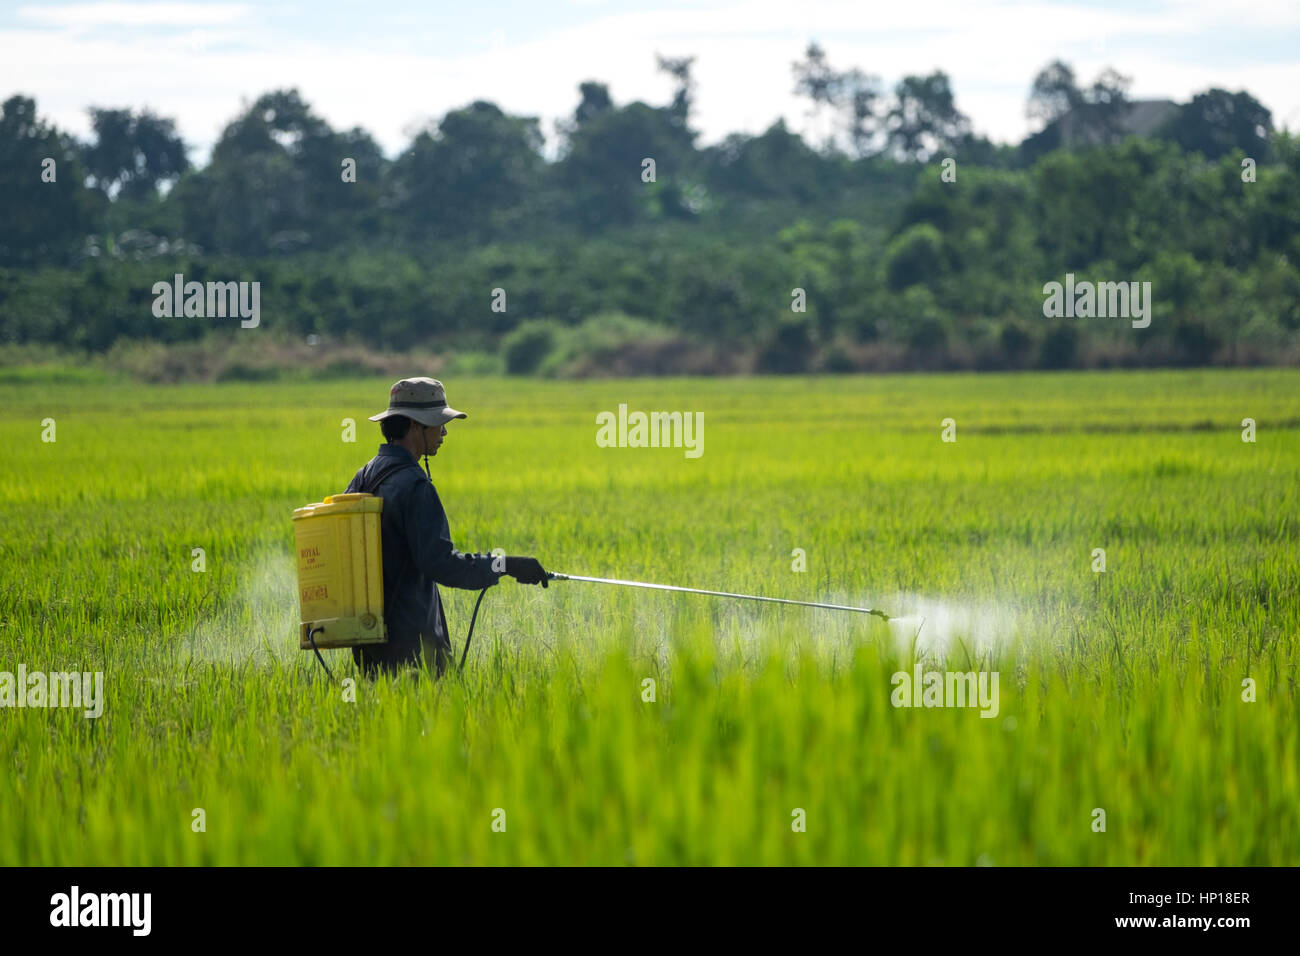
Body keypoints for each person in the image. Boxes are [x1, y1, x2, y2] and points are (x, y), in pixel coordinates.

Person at [345, 377, 548, 677]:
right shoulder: (414, 485)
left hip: (368, 640)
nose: (444, 432)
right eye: (438, 423)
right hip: (413, 644)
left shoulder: (365, 476)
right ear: (414, 425)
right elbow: (441, 564)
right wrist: (505, 565)